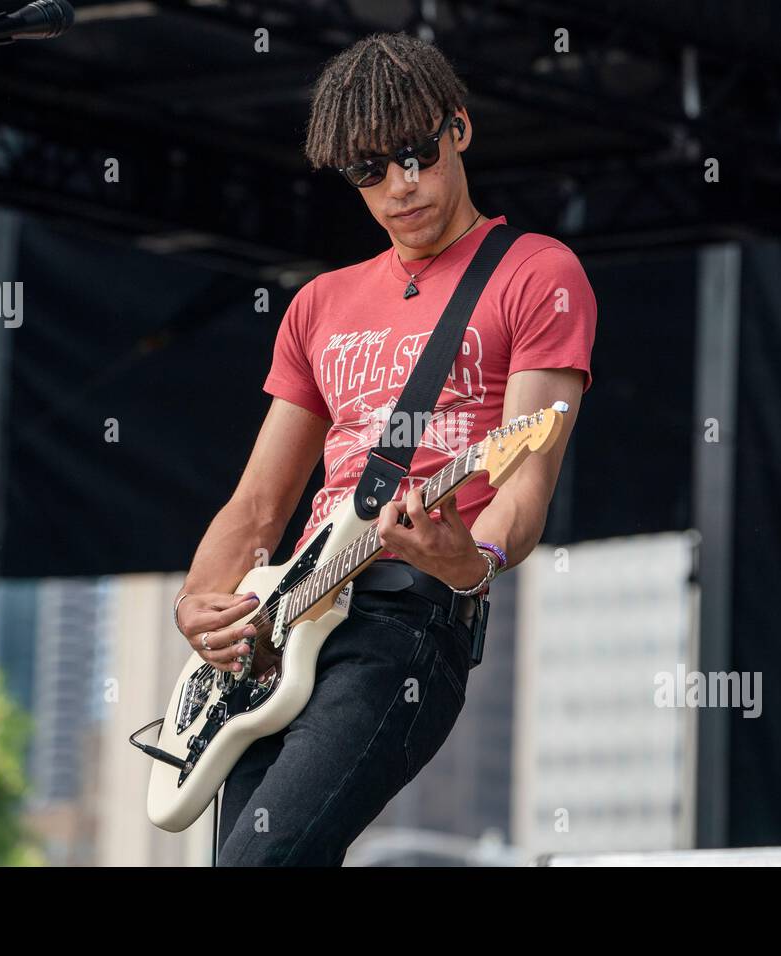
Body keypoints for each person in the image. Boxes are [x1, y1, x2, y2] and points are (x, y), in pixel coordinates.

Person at [172, 32, 597, 865]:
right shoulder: (320, 303)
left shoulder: (537, 273)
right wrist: (197, 602)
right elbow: (259, 504)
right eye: (370, 171)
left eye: (415, 155)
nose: (400, 187)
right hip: (283, 623)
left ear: (459, 129)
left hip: (404, 624)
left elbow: (522, 487)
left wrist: (466, 559)